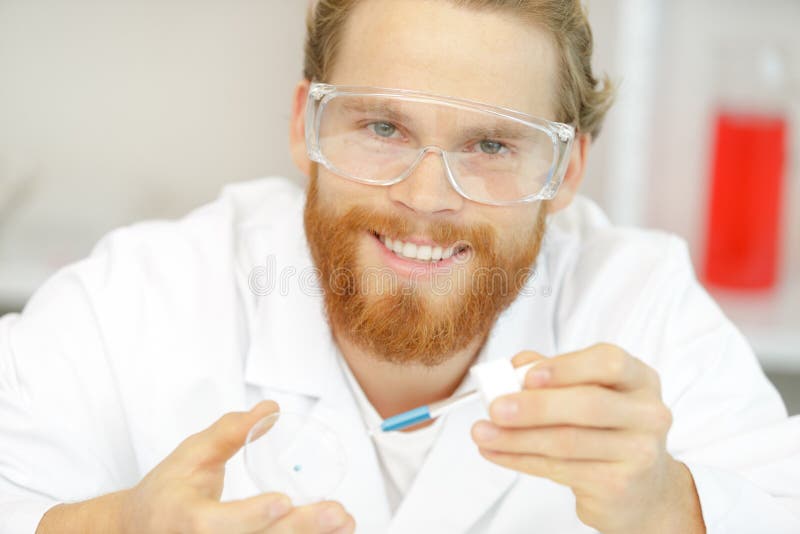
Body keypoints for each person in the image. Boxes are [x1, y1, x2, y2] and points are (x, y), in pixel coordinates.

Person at [1, 0, 798, 532]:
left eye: (491, 146)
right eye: (382, 126)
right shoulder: (138, 298)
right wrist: (112, 526)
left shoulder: (641, 306)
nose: (424, 198)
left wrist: (673, 507)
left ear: (568, 171)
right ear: (302, 123)